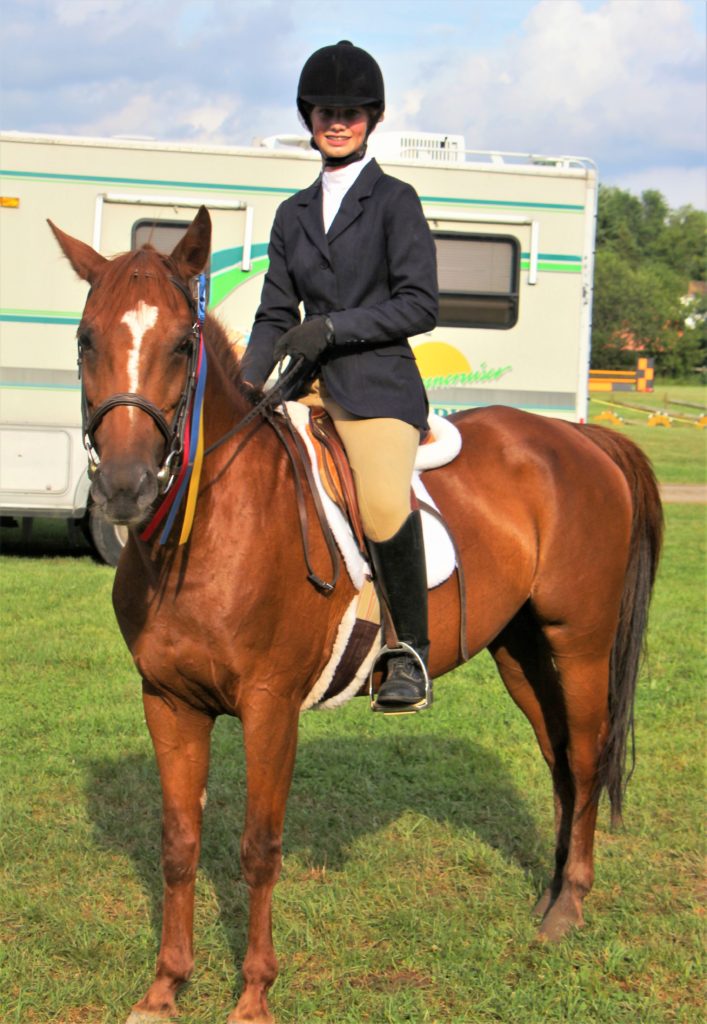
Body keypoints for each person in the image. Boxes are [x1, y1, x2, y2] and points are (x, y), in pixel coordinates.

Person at [241, 40, 439, 713]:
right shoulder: (291, 214)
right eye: (326, 110)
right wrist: (247, 383)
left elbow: (420, 303)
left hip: (377, 386)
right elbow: (273, 312)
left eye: (350, 112)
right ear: (309, 116)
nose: (337, 121)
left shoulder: (395, 201)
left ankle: (409, 653)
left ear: (371, 119)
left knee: (382, 503)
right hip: (305, 386)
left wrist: (333, 327)